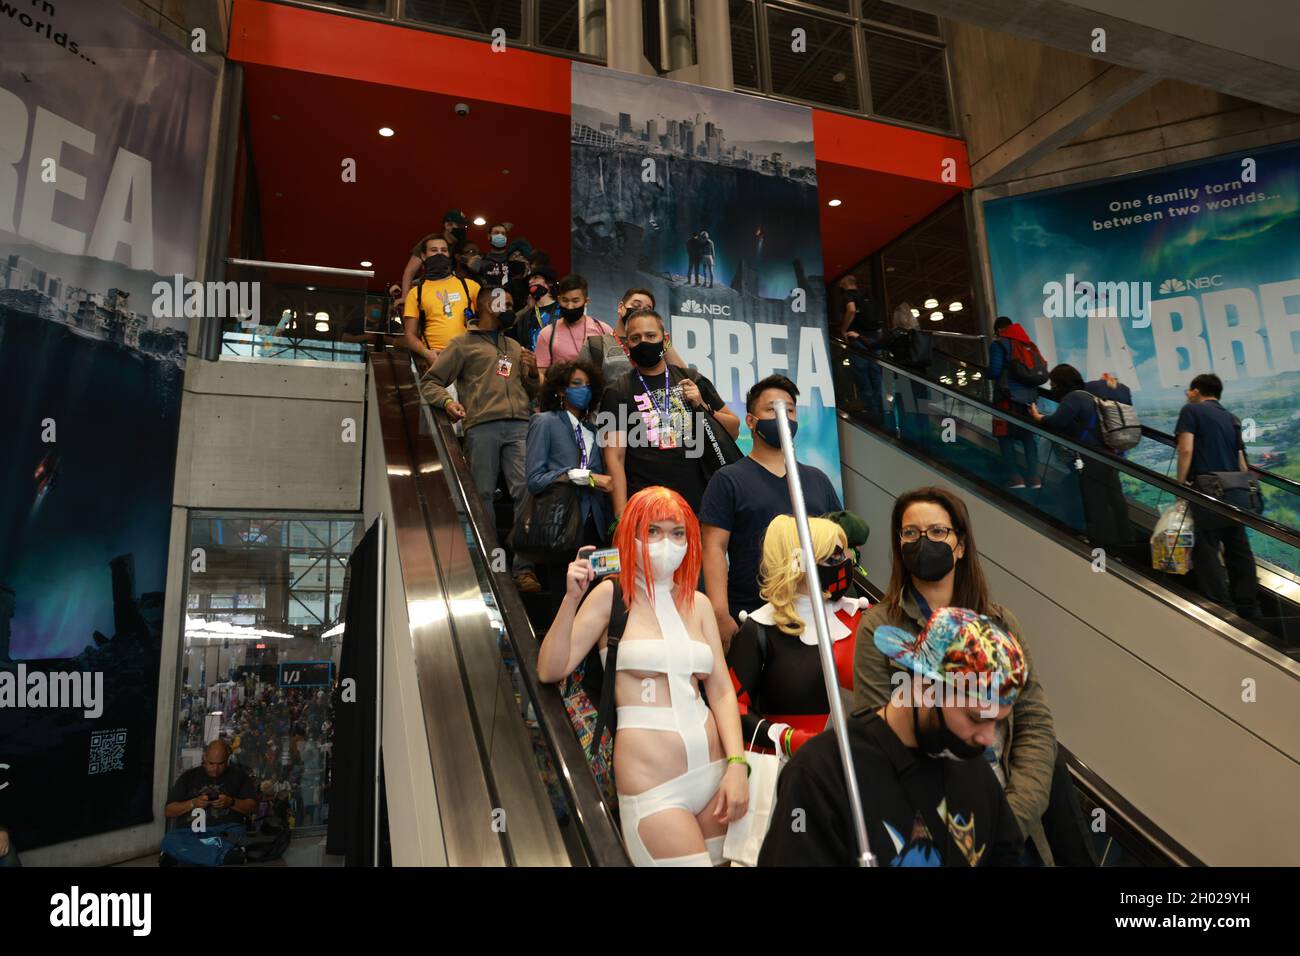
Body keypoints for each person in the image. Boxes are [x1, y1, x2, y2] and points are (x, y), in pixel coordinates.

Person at [536, 487, 749, 866]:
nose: (666, 542)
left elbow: (719, 692)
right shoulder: (610, 596)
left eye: (677, 532)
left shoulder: (697, 603)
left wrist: (737, 765)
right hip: (653, 788)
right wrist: (571, 598)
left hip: (716, 776)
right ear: (631, 534)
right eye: (653, 531)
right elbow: (550, 668)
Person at [851, 486, 1056, 864]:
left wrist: (1010, 816)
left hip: (1010, 824)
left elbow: (1034, 725)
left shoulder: (1000, 622)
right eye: (911, 533)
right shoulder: (877, 628)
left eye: (937, 532)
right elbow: (877, 740)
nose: (923, 541)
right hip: (929, 834)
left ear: (960, 544)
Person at [760, 604, 1028, 867]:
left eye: (997, 722)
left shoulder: (975, 772)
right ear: (925, 687)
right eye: (976, 717)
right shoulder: (823, 773)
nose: (987, 738)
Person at [700, 374, 841, 647]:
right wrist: (719, 613)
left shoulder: (817, 479)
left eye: (789, 409)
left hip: (815, 616)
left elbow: (838, 545)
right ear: (751, 422)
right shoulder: (728, 479)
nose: (783, 416)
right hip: (750, 613)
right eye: (772, 409)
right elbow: (713, 548)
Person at [421, 286, 542, 591]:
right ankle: (492, 565)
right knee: (482, 496)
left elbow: (532, 391)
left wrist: (532, 374)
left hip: (519, 425)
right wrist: (447, 403)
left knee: (526, 490)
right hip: (481, 426)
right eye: (507, 303)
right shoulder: (461, 344)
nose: (512, 309)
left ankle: (524, 568)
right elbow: (431, 382)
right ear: (489, 304)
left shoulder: (514, 346)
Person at [727, 515, 867, 757]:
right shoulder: (759, 628)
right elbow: (730, 706)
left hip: (855, 763)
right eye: (833, 555)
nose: (843, 563)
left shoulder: (859, 618)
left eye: (845, 554)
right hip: (784, 769)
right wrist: (784, 738)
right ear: (797, 562)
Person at [599, 310, 739, 519]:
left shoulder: (691, 379)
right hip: (646, 508)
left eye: (650, 336)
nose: (643, 342)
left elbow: (734, 430)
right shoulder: (617, 391)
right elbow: (614, 459)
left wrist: (701, 405)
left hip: (698, 506)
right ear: (627, 345)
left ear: (665, 340)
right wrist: (622, 516)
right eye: (635, 338)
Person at [1174, 373, 1260, 622]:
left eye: (1189, 390)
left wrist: (1180, 487)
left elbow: (1186, 449)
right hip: (1236, 491)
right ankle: (1249, 605)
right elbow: (1242, 463)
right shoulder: (1231, 418)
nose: (1187, 395)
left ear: (1197, 391)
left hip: (1207, 488)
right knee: (1238, 546)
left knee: (1206, 547)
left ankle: (1221, 606)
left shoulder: (1191, 411)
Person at [1029, 364, 1133, 550]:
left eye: (1053, 384)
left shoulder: (1074, 397)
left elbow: (1057, 421)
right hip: (1108, 457)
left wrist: (1038, 417)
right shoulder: (1089, 397)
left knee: (1096, 503)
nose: (1052, 388)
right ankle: (1125, 541)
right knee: (1114, 499)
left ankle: (1104, 545)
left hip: (1091, 459)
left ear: (1060, 383)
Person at [525, 358, 613, 548]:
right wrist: (588, 477)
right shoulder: (544, 422)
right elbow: (535, 480)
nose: (584, 390)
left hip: (595, 528)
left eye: (589, 386)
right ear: (561, 389)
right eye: (576, 383)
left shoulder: (594, 430)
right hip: (558, 525)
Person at [402, 236, 481, 366]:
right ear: (423, 256)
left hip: (469, 358)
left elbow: (488, 320)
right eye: (434, 250)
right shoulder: (416, 293)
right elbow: (410, 334)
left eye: (443, 250)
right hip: (437, 360)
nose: (439, 253)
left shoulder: (469, 286)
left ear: (449, 255)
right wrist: (426, 353)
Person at [579, 287, 685, 380]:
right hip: (614, 402)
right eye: (636, 305)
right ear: (621, 307)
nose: (640, 312)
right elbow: (579, 383)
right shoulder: (596, 344)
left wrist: (662, 339)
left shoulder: (657, 344)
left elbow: (683, 376)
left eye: (647, 310)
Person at [988, 317, 1044, 489]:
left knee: (1005, 438)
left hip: (1007, 399)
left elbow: (995, 371)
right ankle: (1035, 479)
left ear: (998, 330)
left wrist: (986, 372)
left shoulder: (999, 344)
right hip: (1029, 401)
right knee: (1028, 439)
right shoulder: (1028, 345)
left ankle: (1016, 478)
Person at [164, 739, 258, 828]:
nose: (215, 768)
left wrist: (231, 802)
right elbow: (169, 811)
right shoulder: (189, 776)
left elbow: (253, 807)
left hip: (227, 833)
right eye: (211, 763)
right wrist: (192, 803)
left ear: (227, 760)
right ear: (205, 758)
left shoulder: (239, 776)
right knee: (168, 841)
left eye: (220, 764)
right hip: (190, 833)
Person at [533, 274, 615, 373]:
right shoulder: (547, 334)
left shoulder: (603, 330)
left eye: (575, 301)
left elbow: (614, 368)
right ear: (559, 300)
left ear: (586, 301)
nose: (570, 306)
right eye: (565, 300)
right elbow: (541, 376)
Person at [838, 274, 887, 424]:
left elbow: (851, 310)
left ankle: (872, 411)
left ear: (845, 285)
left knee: (862, 375)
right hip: (873, 340)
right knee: (876, 375)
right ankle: (883, 410)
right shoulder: (867, 297)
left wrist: (844, 329)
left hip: (857, 339)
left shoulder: (848, 296)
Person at [511, 266, 560, 351]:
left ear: (550, 282)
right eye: (529, 280)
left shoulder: (562, 308)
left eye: (536, 278)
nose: (530, 282)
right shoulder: (526, 314)